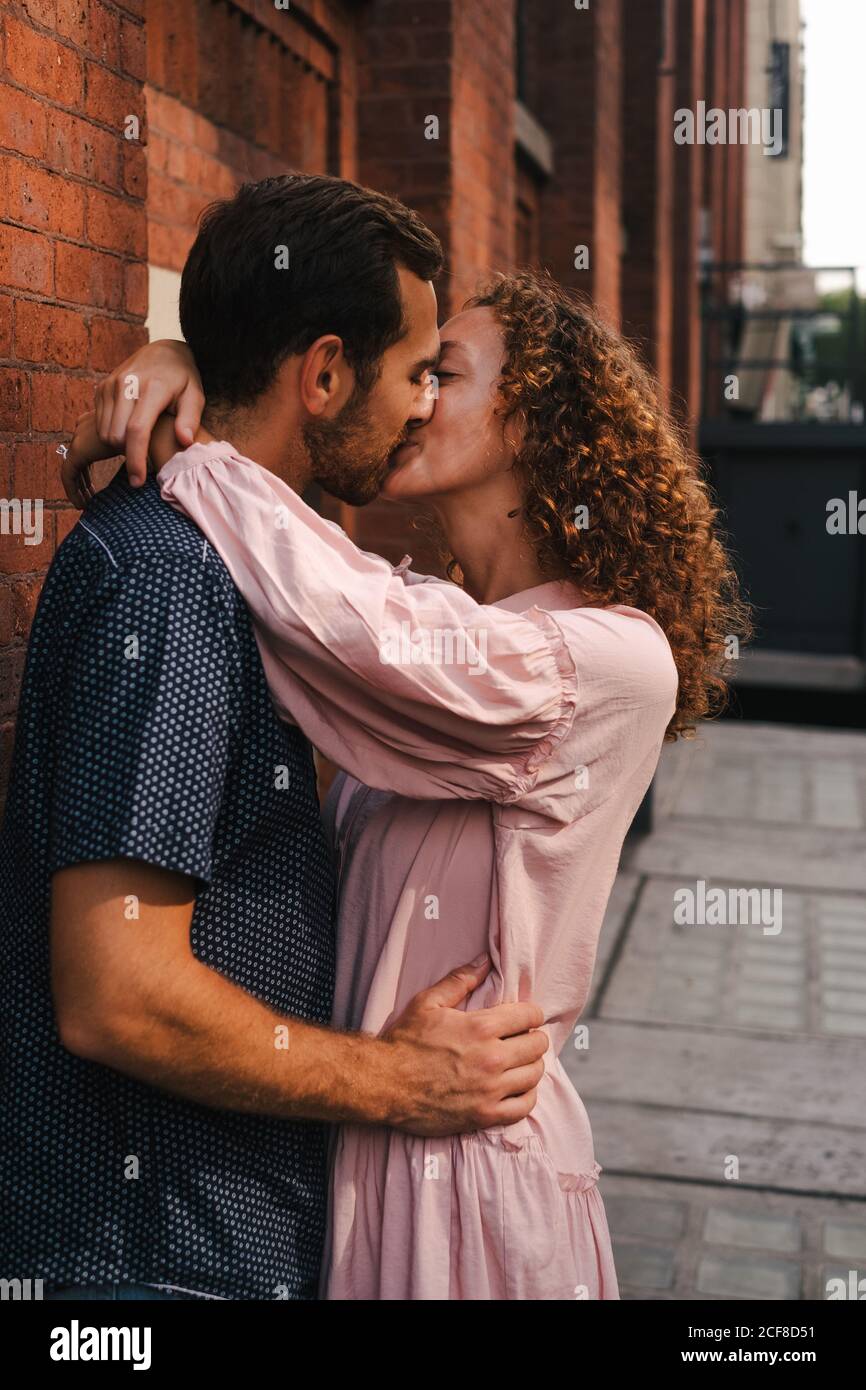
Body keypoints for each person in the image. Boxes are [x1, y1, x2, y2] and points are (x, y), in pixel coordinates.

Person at [63, 235, 750, 1296]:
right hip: (374, 1133)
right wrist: (198, 367)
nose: (418, 400)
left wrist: (207, 435)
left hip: (469, 1166)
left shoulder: (607, 657)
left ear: (530, 419)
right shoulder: (436, 625)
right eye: (414, 372)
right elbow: (335, 594)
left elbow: (345, 613)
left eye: (446, 373)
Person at [0, 175, 550, 1305]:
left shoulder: (241, 560)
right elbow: (117, 991)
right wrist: (400, 1081)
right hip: (146, 1264)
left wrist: (182, 358)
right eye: (412, 374)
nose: (418, 408)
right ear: (326, 373)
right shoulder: (171, 582)